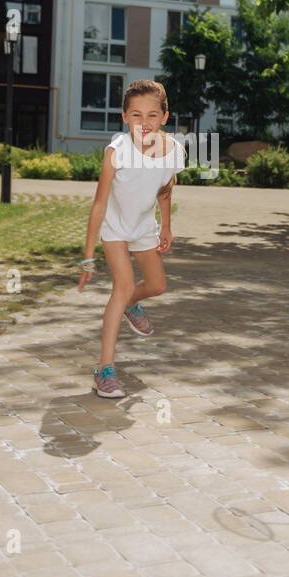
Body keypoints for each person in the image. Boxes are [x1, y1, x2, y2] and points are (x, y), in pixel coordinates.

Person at [77, 80, 184, 398]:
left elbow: (165, 188)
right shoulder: (117, 151)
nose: (144, 123)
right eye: (136, 115)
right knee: (121, 288)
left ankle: (132, 303)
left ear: (165, 117)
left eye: (152, 115)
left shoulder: (175, 151)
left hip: (143, 228)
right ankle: (104, 371)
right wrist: (87, 256)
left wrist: (166, 226)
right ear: (124, 116)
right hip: (115, 229)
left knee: (158, 285)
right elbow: (99, 204)